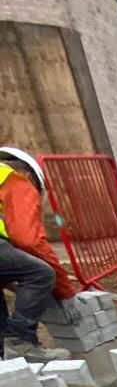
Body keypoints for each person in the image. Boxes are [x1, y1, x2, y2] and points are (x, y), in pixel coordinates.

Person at [0, 146, 77, 361]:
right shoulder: (16, 180)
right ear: (29, 175)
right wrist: (66, 291)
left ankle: (10, 362)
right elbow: (29, 240)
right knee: (41, 274)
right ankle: (19, 340)